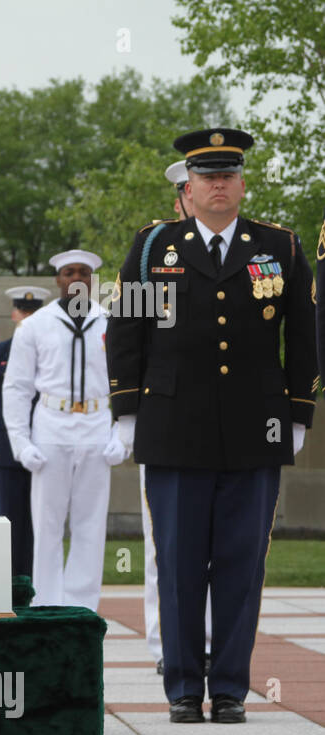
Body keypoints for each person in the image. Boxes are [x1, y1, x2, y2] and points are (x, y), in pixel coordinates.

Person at [110, 128, 315, 724]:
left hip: (257, 430)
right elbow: (127, 335)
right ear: (189, 188)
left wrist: (298, 412)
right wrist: (126, 411)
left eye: (228, 174)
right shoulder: (154, 249)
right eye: (207, 176)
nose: (218, 184)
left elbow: (303, 337)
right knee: (177, 565)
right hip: (173, 429)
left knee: (240, 564)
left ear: (242, 184)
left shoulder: (279, 247)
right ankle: (181, 687)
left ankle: (228, 688)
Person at [3, 250, 125, 611]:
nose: (76, 278)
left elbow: (127, 383)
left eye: (84, 273)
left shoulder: (111, 322)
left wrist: (123, 434)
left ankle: (83, 606)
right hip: (51, 426)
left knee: (90, 523)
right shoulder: (35, 326)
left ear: (92, 280)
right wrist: (21, 442)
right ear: (57, 279)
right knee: (48, 524)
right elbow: (17, 387)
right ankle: (46, 602)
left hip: (97, 425)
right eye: (69, 272)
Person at [140, 161, 213, 677]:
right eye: (188, 193)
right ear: (180, 200)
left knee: (222, 546)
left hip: (225, 416)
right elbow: (134, 333)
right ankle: (166, 645)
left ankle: (208, 642)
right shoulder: (152, 251)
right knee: (164, 542)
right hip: (166, 416)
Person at [0, 286, 48, 578]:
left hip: (44, 445)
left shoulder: (50, 352)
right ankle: (13, 581)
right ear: (14, 313)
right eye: (23, 312)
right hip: (6, 449)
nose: (27, 318)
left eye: (33, 313)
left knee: (42, 522)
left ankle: (40, 581)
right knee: (11, 518)